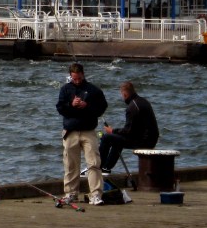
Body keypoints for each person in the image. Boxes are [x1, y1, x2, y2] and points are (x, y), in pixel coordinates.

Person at [55, 62, 107, 206]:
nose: (76, 81)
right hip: (70, 131)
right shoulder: (65, 90)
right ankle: (71, 193)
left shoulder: (94, 90)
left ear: (83, 75)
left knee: (94, 163)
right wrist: (71, 105)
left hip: (88, 130)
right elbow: (60, 108)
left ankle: (95, 194)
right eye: (74, 78)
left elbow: (101, 108)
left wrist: (87, 106)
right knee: (71, 164)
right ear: (70, 76)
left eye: (79, 78)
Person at [99, 81, 159, 173]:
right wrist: (115, 132)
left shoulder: (131, 107)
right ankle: (106, 168)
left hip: (143, 141)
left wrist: (112, 131)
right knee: (117, 139)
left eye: (122, 95)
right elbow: (132, 130)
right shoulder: (143, 101)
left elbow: (128, 131)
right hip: (151, 139)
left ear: (125, 94)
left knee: (106, 138)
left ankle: (98, 167)